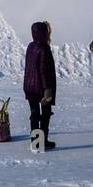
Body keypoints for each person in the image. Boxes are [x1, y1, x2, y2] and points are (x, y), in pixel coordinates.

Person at [23, 21, 56, 150]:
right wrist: (48, 89)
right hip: (42, 87)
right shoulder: (44, 48)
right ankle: (42, 140)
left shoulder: (30, 47)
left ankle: (36, 142)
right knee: (45, 114)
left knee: (35, 114)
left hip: (30, 86)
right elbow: (43, 70)